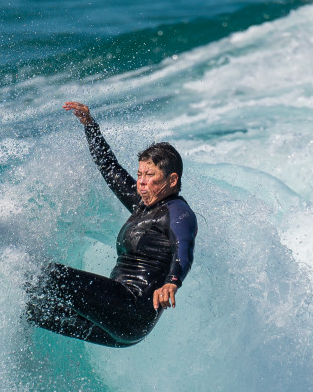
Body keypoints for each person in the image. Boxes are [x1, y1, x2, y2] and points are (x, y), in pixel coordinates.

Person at [25, 101, 197, 348]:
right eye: (140, 175)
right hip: (123, 329)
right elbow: (109, 167)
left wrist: (173, 281)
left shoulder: (178, 212)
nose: (141, 182)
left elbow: (184, 247)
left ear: (172, 180)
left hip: (131, 307)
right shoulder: (142, 205)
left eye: (150, 176)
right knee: (33, 311)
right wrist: (90, 126)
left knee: (44, 275)